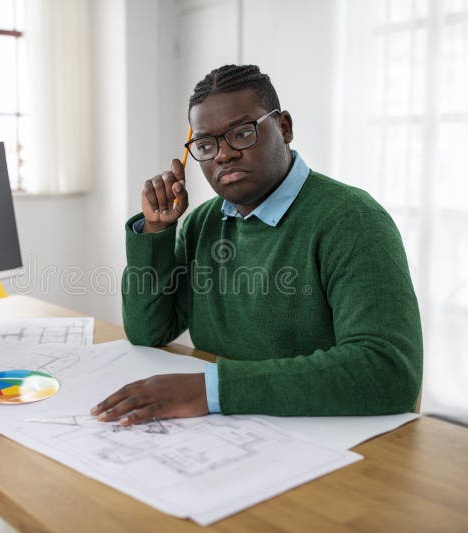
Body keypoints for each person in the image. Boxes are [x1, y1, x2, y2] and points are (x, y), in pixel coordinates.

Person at [90, 64, 422, 426]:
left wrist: (209, 390)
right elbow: (147, 332)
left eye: (242, 133)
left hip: (326, 436)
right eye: (205, 144)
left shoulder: (352, 220)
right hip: (231, 432)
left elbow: (388, 371)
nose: (223, 154)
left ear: (284, 128)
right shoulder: (203, 223)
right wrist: (156, 232)